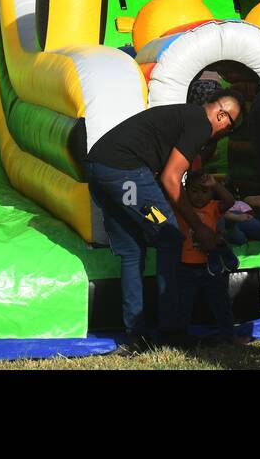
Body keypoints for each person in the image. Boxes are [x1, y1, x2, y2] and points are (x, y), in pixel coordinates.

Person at [85, 92, 243, 351]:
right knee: (170, 235)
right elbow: (170, 179)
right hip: (126, 179)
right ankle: (172, 330)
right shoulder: (200, 123)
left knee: (133, 251)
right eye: (230, 126)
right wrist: (199, 227)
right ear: (221, 114)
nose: (226, 132)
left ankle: (136, 336)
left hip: (99, 171)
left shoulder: (184, 116)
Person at [175, 172, 240, 344]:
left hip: (210, 266)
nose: (199, 196)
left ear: (211, 194)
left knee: (220, 301)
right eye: (194, 191)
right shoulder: (182, 209)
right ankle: (181, 336)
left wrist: (216, 185)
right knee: (183, 304)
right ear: (186, 191)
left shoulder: (212, 208)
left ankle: (227, 334)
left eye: (204, 192)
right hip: (185, 265)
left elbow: (230, 202)